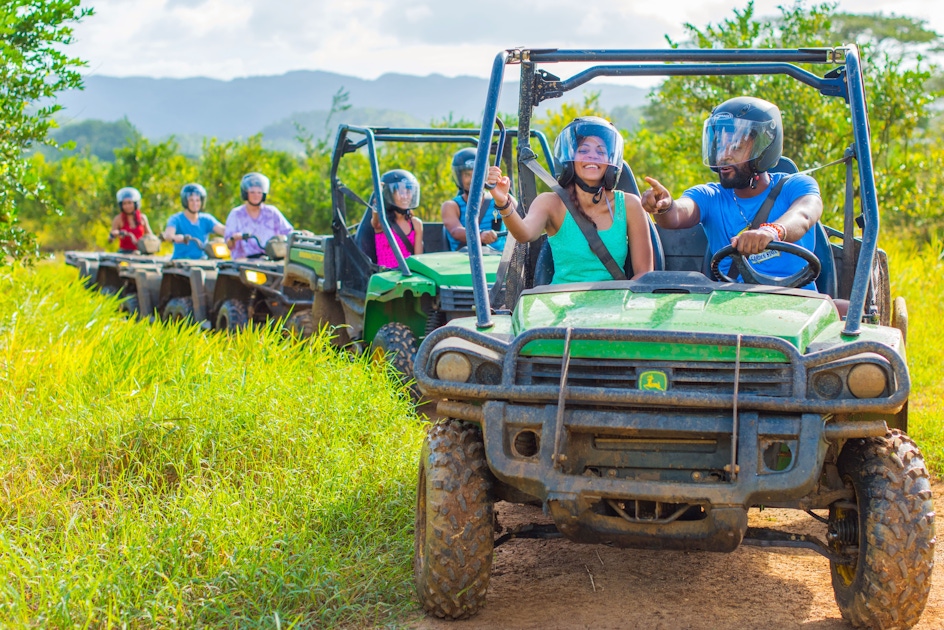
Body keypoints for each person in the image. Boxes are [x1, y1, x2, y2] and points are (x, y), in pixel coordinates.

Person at [641, 96, 823, 289]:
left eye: (736, 146)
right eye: (719, 146)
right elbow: (677, 214)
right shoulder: (710, 196)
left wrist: (771, 232)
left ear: (763, 149)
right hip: (733, 306)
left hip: (795, 303)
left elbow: (804, 215)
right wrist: (665, 206)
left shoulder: (797, 185)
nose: (724, 155)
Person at [487, 116, 653, 283]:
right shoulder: (551, 203)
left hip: (614, 304)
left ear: (610, 161)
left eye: (600, 151)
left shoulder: (629, 205)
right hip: (561, 303)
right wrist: (503, 202)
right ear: (569, 158)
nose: (592, 156)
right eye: (583, 150)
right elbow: (524, 234)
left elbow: (644, 273)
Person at [442, 147, 504, 252]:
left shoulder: (500, 200)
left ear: (485, 174)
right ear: (459, 177)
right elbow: (455, 231)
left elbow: (521, 219)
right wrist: (480, 235)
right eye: (467, 175)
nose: (472, 179)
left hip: (498, 263)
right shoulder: (451, 206)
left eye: (476, 173)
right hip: (464, 261)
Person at [223, 172, 294, 259]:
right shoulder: (236, 214)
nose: (256, 195)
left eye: (259, 192)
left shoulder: (272, 212)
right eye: (252, 192)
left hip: (270, 259)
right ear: (246, 194)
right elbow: (228, 244)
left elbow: (288, 233)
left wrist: (301, 234)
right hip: (244, 261)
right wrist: (234, 238)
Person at [372, 169, 424, 268]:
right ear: (390, 195)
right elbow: (375, 222)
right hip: (388, 277)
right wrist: (378, 199)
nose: (405, 196)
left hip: (408, 275)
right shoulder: (383, 222)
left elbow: (418, 259)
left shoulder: (416, 224)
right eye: (400, 192)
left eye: (408, 192)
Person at [163, 183, 225, 259]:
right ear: (185, 201)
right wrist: (175, 238)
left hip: (202, 261)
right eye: (191, 200)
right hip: (181, 263)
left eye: (198, 200)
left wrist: (235, 232)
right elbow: (168, 235)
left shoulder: (206, 219)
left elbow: (222, 230)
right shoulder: (176, 219)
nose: (195, 203)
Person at [109, 187, 153, 254]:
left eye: (129, 203)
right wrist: (115, 234)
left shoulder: (142, 218)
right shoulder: (118, 219)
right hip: (124, 253)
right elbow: (110, 240)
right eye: (124, 204)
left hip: (141, 253)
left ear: (135, 203)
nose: (127, 206)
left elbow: (150, 235)